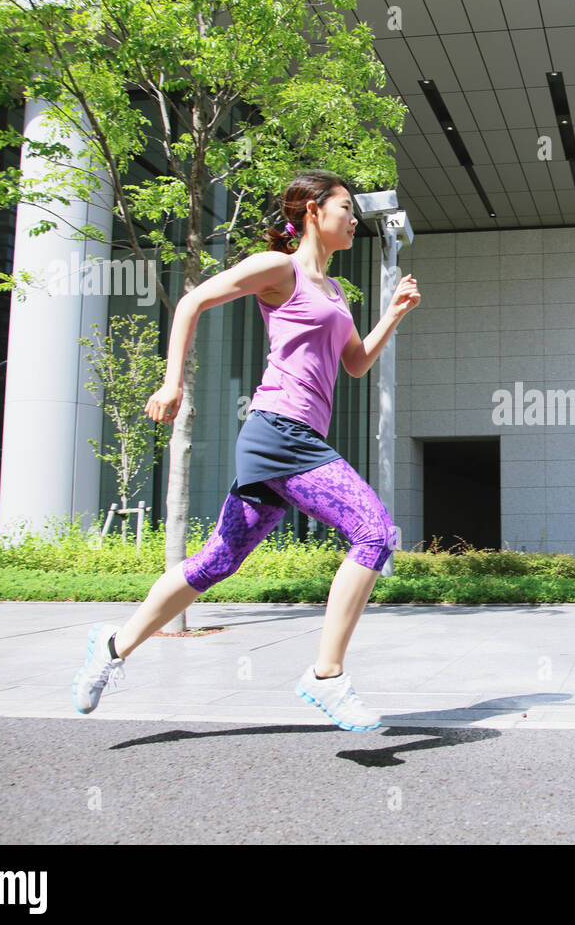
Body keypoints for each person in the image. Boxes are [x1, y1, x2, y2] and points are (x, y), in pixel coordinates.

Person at [71, 170, 420, 731]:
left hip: (292, 438)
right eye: (345, 208)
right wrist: (172, 383)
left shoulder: (333, 292)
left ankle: (111, 647)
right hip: (280, 430)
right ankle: (326, 676)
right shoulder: (278, 270)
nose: (353, 218)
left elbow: (354, 364)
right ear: (312, 212)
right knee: (373, 530)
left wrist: (394, 314)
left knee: (216, 561)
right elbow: (191, 302)